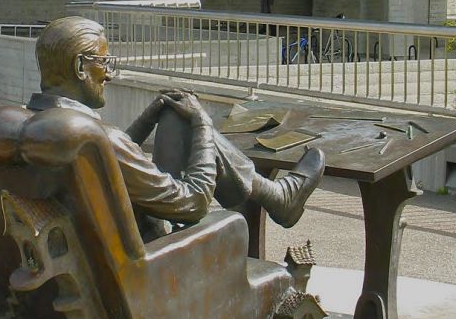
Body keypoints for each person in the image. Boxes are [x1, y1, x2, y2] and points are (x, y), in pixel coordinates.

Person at [28, 16, 324, 237]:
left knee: (173, 116)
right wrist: (202, 123)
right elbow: (193, 203)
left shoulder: (33, 126)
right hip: (150, 262)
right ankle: (276, 196)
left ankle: (277, 196)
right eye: (104, 62)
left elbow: (106, 164)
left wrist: (150, 117)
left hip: (93, 246)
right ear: (81, 67)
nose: (109, 75)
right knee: (186, 120)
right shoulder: (95, 137)